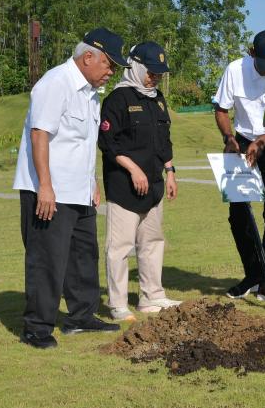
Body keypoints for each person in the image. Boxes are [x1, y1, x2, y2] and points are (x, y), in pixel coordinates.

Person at [13, 27, 129, 349]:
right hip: (50, 191)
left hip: (79, 191)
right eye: (108, 64)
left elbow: (84, 142)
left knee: (82, 256)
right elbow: (40, 135)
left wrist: (92, 182)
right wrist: (45, 187)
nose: (111, 72)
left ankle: (81, 317)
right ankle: (36, 328)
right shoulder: (55, 83)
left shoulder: (90, 93)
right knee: (47, 259)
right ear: (88, 56)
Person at [98, 41, 181, 321]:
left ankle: (152, 297)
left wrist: (170, 172)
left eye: (159, 72)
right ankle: (118, 304)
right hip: (124, 188)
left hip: (154, 186)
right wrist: (133, 169)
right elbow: (108, 144)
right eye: (151, 71)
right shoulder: (117, 100)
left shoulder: (157, 99)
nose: (155, 77)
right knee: (120, 247)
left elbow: (164, 141)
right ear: (136, 66)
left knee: (153, 242)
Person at [214, 30, 265, 308]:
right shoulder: (235, 69)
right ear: (251, 53)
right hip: (241, 140)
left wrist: (264, 141)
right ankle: (252, 275)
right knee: (238, 213)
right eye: (262, 64)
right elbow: (221, 109)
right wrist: (229, 138)